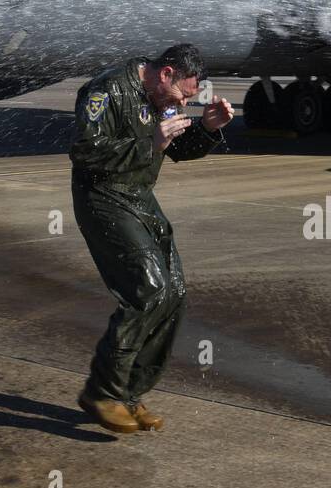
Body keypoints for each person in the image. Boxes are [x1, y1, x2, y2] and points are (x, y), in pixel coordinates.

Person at [70, 44, 234, 433]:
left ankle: (129, 394)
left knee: (173, 292)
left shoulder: (165, 96)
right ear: (166, 74)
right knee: (148, 289)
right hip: (103, 197)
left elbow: (174, 149)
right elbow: (84, 152)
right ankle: (102, 393)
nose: (184, 101)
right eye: (183, 94)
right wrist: (150, 142)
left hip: (139, 196)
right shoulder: (105, 91)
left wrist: (208, 128)